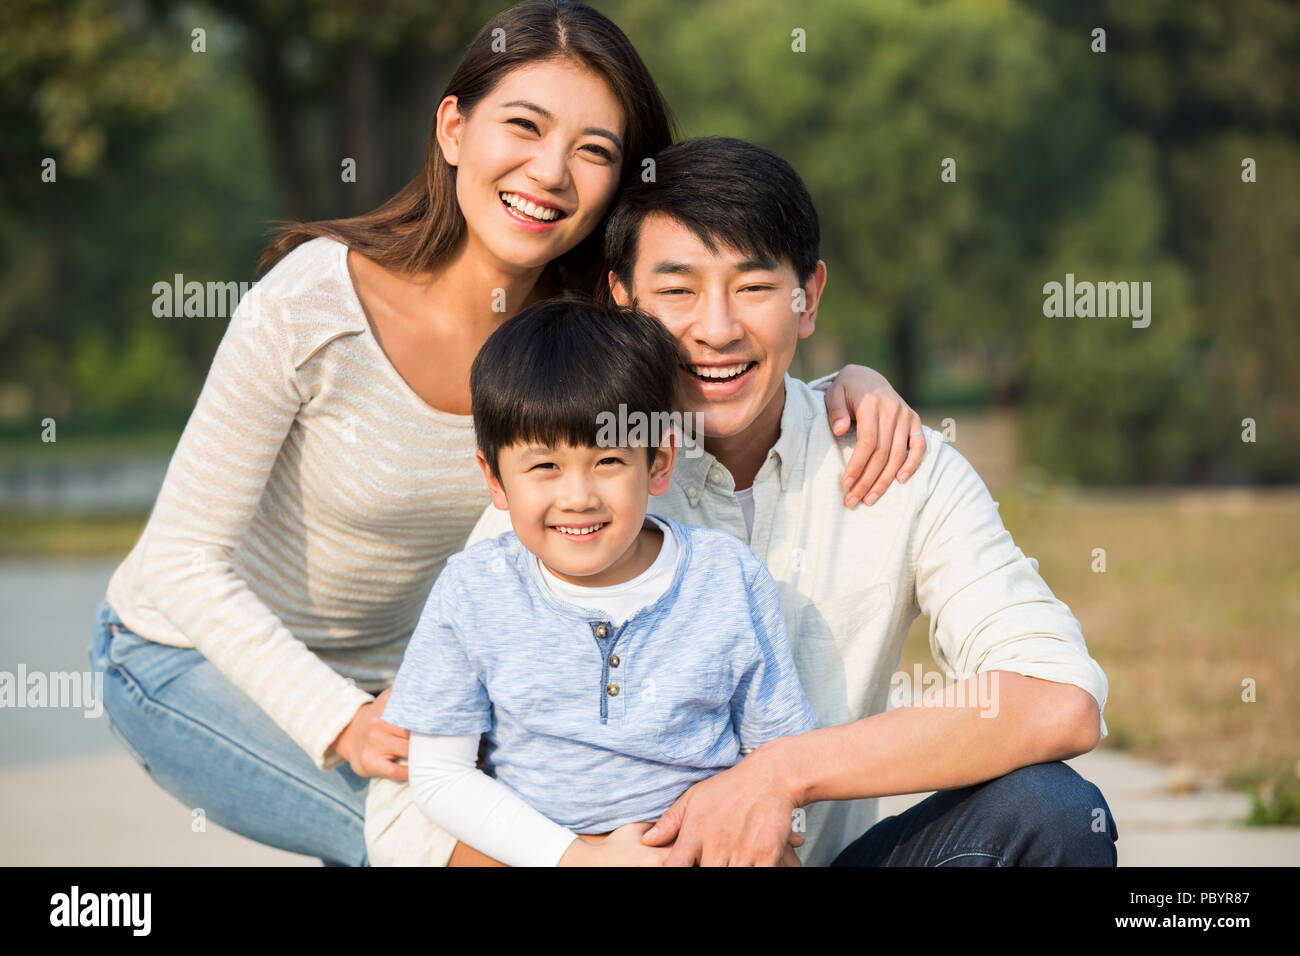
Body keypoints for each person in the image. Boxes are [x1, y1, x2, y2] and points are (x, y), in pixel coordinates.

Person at [87, 1, 919, 867]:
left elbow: (725, 358)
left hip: (424, 677)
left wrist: (851, 388)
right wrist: (335, 718)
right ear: (453, 127)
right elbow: (182, 560)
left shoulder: (589, 329)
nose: (551, 172)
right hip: (186, 658)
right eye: (523, 125)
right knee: (443, 842)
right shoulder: (311, 307)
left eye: (594, 151)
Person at [457, 136, 1118, 866]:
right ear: (623, 303)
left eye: (754, 286)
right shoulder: (567, 496)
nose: (716, 328)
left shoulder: (896, 463)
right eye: (677, 291)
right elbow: (447, 791)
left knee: (1050, 813)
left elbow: (1058, 699)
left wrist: (781, 773)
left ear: (808, 300)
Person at [372, 296, 818, 867]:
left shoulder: (726, 578)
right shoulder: (475, 590)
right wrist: (576, 858)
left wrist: (770, 829)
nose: (578, 497)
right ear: (496, 479)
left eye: (607, 461)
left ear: (657, 463)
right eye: (544, 467)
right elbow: (438, 775)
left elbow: (780, 753)